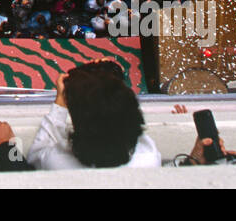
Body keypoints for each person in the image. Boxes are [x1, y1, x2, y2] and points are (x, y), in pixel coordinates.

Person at [28, 63, 159, 169]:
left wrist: (60, 103)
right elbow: (123, 118)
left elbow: (36, 155)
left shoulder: (57, 162)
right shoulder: (149, 158)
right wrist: (106, 85)